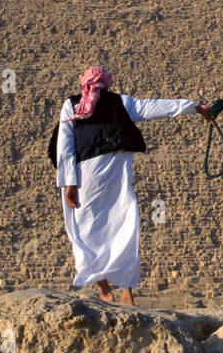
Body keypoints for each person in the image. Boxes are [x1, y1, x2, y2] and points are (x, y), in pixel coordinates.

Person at [55, 64, 213, 305]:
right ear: (105, 83)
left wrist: (69, 183)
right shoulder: (121, 103)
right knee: (124, 225)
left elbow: (65, 146)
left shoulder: (73, 105)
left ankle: (103, 288)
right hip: (116, 170)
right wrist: (196, 108)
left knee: (86, 229)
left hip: (85, 174)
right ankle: (127, 291)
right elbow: (156, 107)